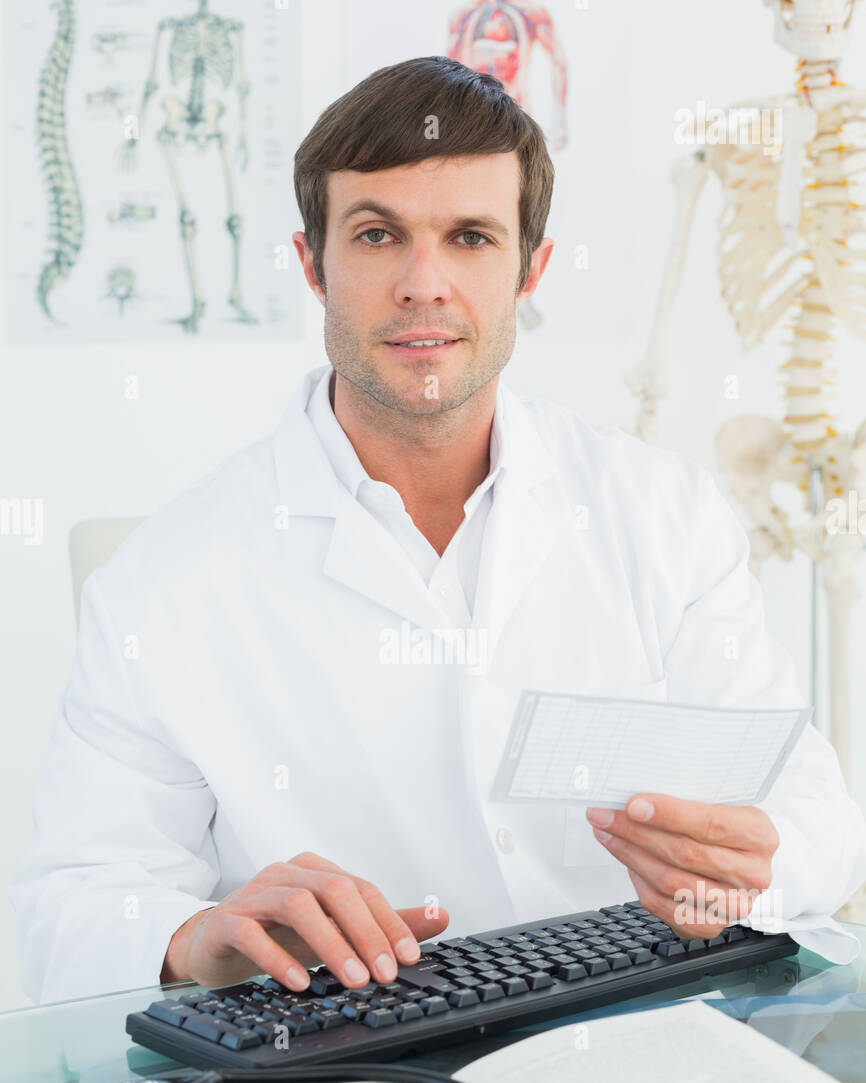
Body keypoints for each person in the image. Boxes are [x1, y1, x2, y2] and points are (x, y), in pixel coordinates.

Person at [11, 57, 866, 1004]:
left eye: (469, 237)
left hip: (645, 1036)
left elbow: (811, 812)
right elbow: (72, 904)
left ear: (529, 270)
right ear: (313, 264)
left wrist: (751, 867)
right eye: (378, 235)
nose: (425, 284)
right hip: (339, 1076)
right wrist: (192, 937)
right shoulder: (161, 582)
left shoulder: (661, 514)